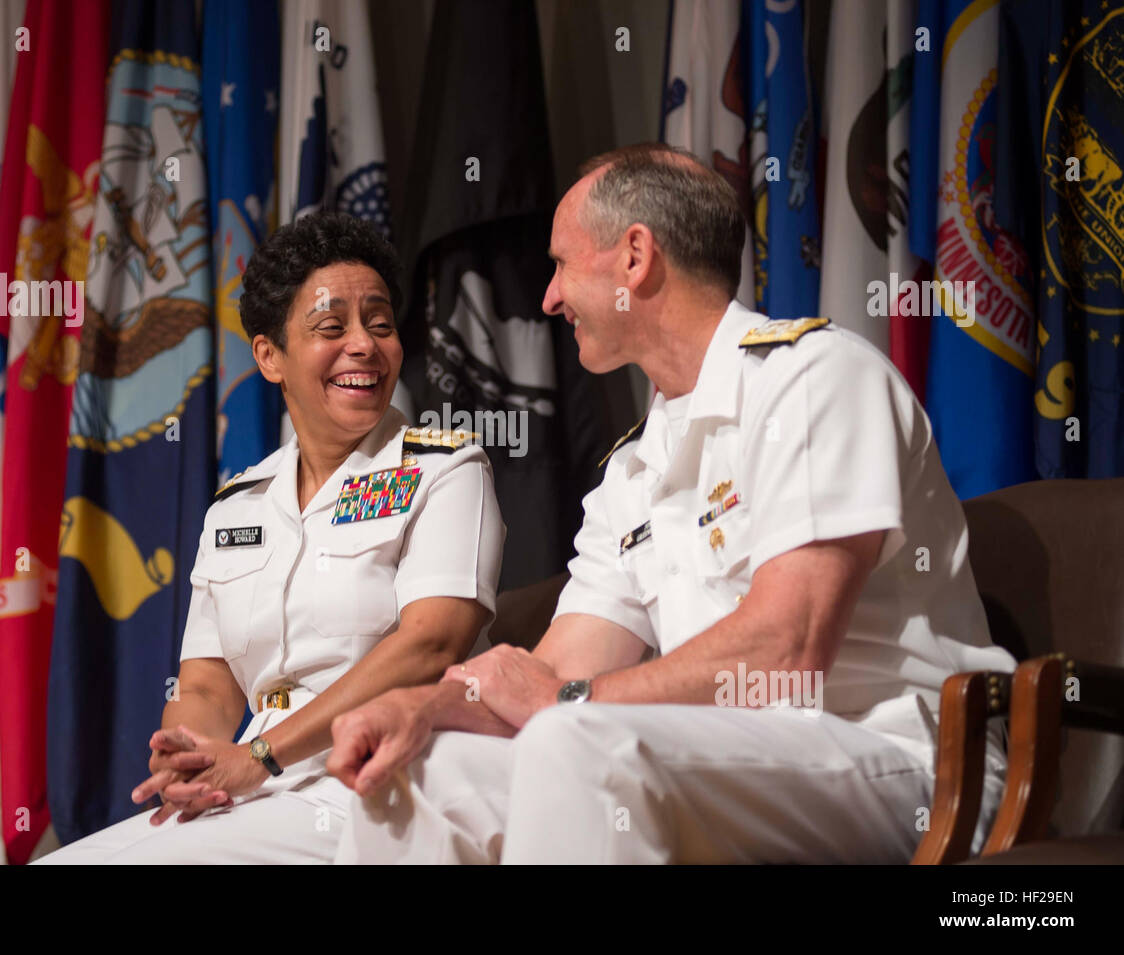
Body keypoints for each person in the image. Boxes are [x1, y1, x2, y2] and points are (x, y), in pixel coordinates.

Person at [325, 144, 1017, 864]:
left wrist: (569, 702)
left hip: (902, 758)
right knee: (426, 771)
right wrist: (424, 705)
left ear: (634, 257)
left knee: (575, 740)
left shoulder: (816, 379)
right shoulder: (632, 468)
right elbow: (555, 668)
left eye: (560, 264)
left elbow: (789, 649)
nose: (549, 298)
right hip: (726, 753)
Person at [37, 212, 504, 864]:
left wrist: (259, 754)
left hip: (380, 783)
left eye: (379, 322)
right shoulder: (236, 504)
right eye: (331, 326)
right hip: (258, 789)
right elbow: (207, 686)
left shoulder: (446, 469)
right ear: (269, 355)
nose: (364, 344)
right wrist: (189, 754)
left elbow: (429, 642)